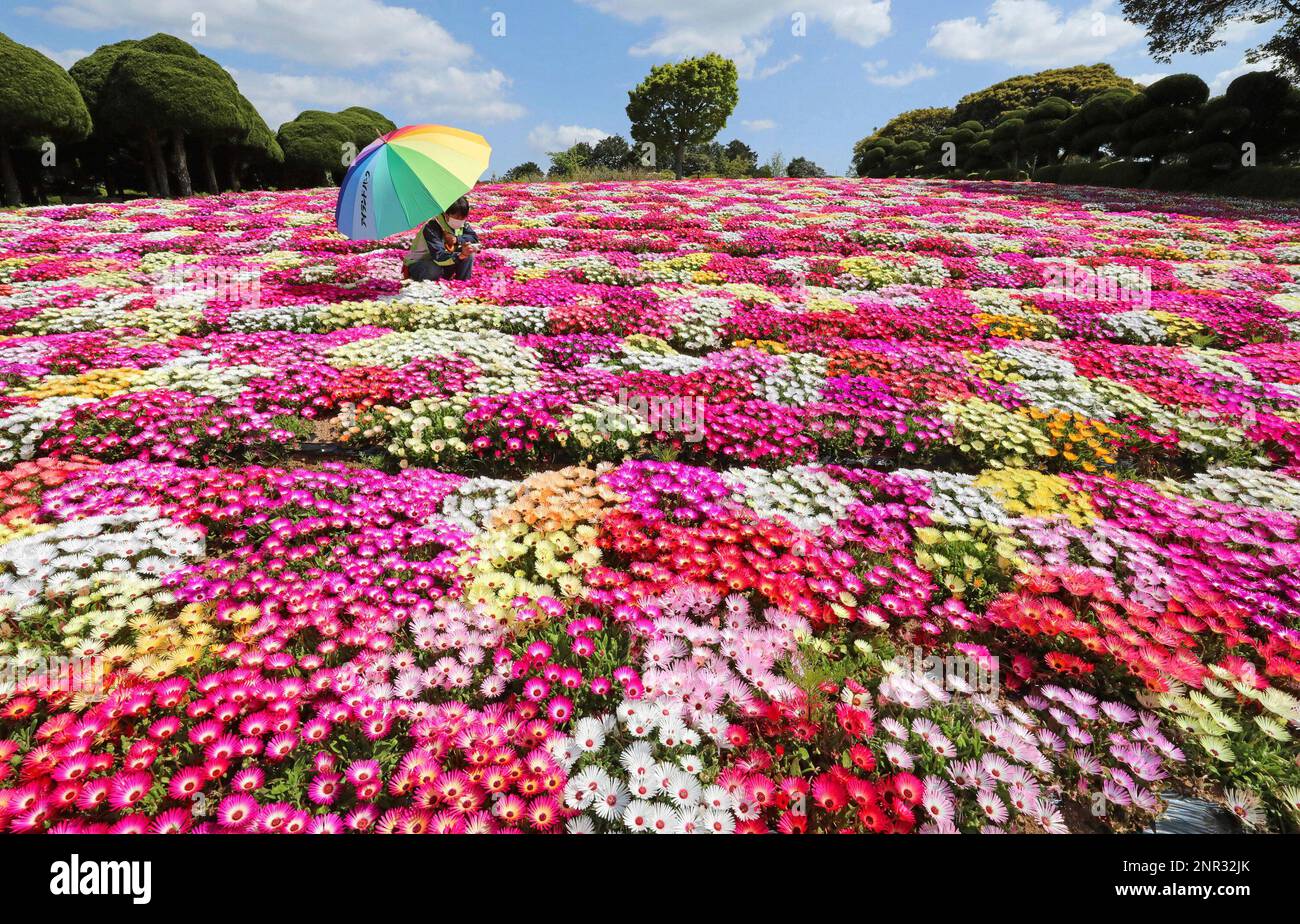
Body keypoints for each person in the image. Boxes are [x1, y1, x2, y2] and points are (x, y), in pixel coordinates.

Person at [404, 196, 478, 281]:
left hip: (445, 262)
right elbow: (438, 256)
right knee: (433, 270)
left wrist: (457, 239)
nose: (460, 220)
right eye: (457, 217)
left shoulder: (461, 223)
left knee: (469, 252)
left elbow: (473, 237)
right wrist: (460, 255)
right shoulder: (432, 226)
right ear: (446, 214)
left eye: (463, 217)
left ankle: (462, 283)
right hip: (422, 263)